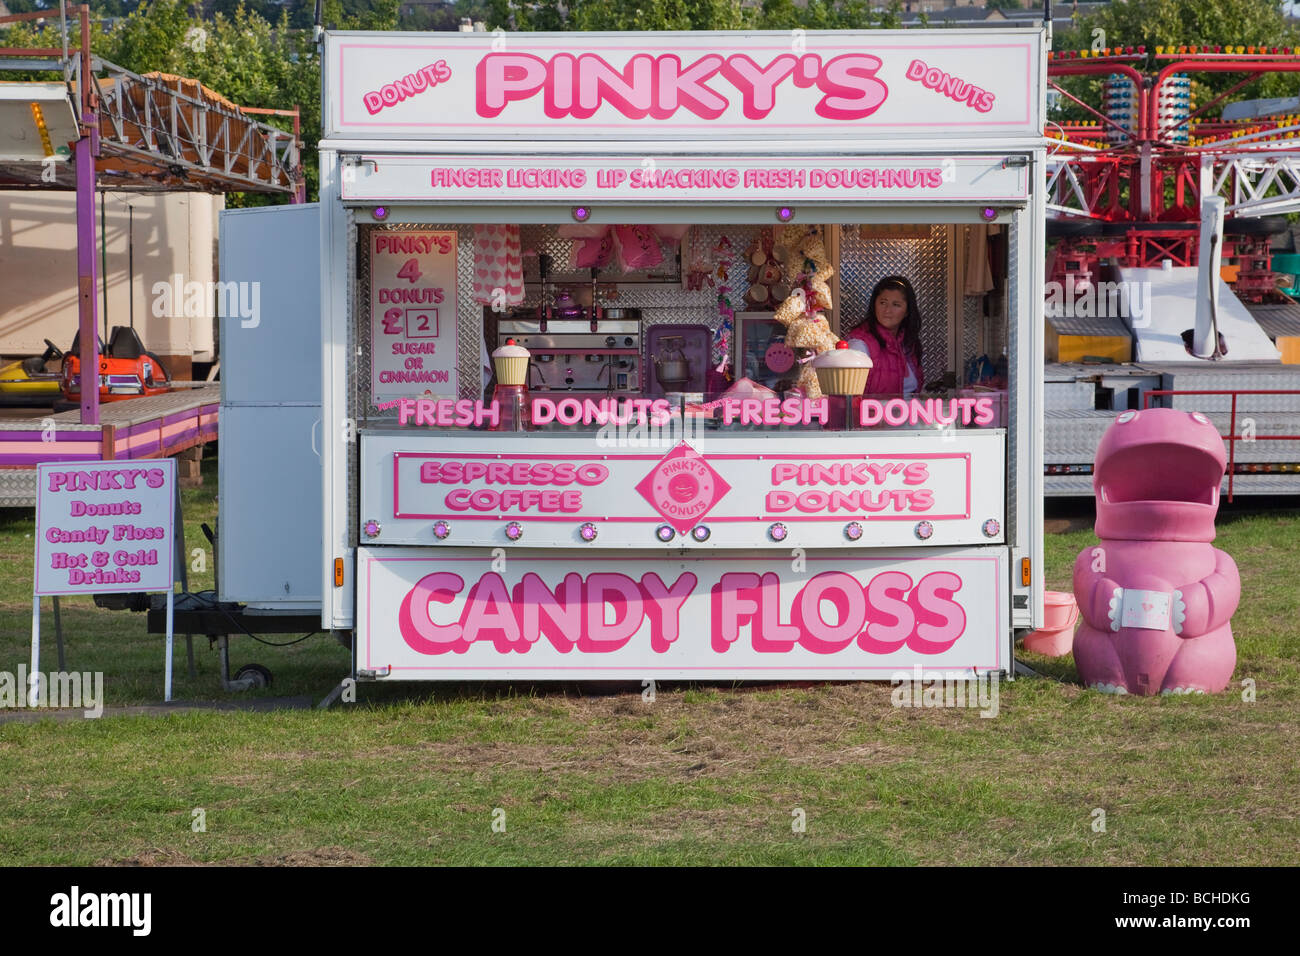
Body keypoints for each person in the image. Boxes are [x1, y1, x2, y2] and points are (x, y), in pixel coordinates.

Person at [846, 275, 925, 397]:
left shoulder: (908, 343)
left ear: (907, 312)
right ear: (874, 305)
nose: (887, 310)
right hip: (873, 416)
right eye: (883, 302)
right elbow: (851, 399)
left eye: (896, 304)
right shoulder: (859, 345)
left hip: (909, 414)